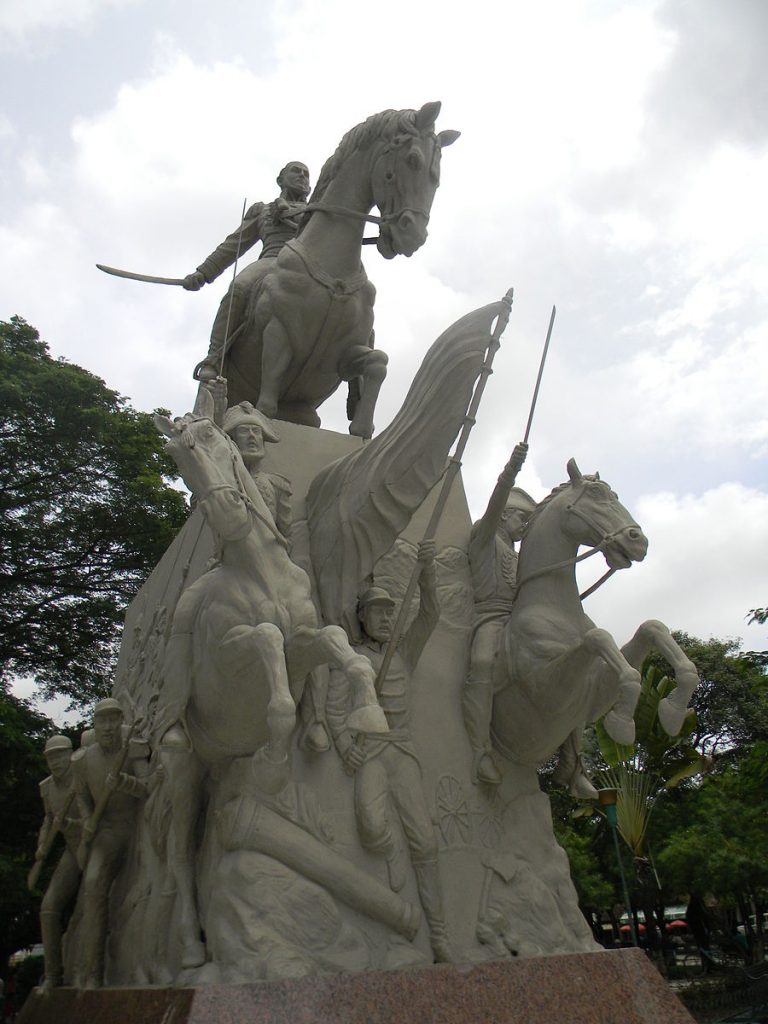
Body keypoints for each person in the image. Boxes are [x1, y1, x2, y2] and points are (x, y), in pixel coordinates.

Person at [326, 541, 456, 963]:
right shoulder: (352, 659)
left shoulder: (404, 654)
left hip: (401, 751)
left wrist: (427, 572)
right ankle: (391, 864)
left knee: (425, 840)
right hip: (370, 752)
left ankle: (439, 936)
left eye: (388, 611)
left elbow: (430, 615)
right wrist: (345, 744)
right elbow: (333, 708)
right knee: (370, 826)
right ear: (362, 617)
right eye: (377, 612)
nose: (384, 617)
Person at [186, 161, 311, 382]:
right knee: (239, 287)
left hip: (310, 265)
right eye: (296, 171)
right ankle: (214, 357)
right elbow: (234, 244)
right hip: (273, 260)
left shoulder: (319, 211)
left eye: (306, 174)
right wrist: (203, 273)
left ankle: (356, 381)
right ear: (280, 180)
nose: (302, 176)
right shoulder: (262, 211)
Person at [462, 442, 536, 785]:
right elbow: (491, 509)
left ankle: (574, 759)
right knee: (480, 665)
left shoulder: (521, 558)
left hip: (520, 621)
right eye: (521, 517)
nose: (523, 526)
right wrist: (510, 473)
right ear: (504, 515)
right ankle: (480, 752)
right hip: (491, 619)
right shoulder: (484, 537)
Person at [72, 699, 149, 989]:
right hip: (107, 831)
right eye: (101, 721)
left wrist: (125, 782)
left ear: (120, 721)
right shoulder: (83, 760)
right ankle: (93, 972)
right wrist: (87, 818)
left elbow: (149, 786)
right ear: (95, 724)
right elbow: (80, 796)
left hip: (138, 824)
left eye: (112, 720)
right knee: (93, 884)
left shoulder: (133, 744)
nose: (107, 727)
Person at [29, 735, 82, 993]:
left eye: (60, 755)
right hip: (72, 851)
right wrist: (42, 846)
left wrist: (72, 824)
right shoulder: (47, 787)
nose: (56, 762)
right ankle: (53, 975)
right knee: (48, 907)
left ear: (70, 754)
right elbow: (48, 820)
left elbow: (98, 815)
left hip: (95, 845)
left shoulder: (83, 776)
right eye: (51, 757)